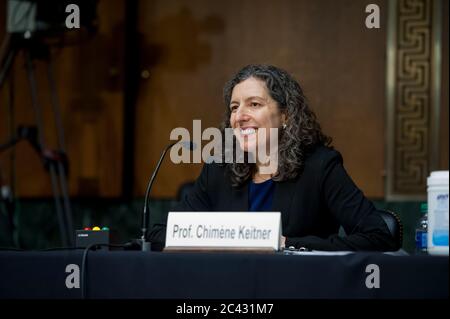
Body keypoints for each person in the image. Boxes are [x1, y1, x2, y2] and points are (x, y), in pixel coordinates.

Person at [148, 64, 397, 251]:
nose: (240, 116)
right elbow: (159, 234)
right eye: (234, 107)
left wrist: (286, 243)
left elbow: (379, 235)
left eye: (254, 104)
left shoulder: (320, 166)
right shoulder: (218, 168)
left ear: (286, 116)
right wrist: (221, 239)